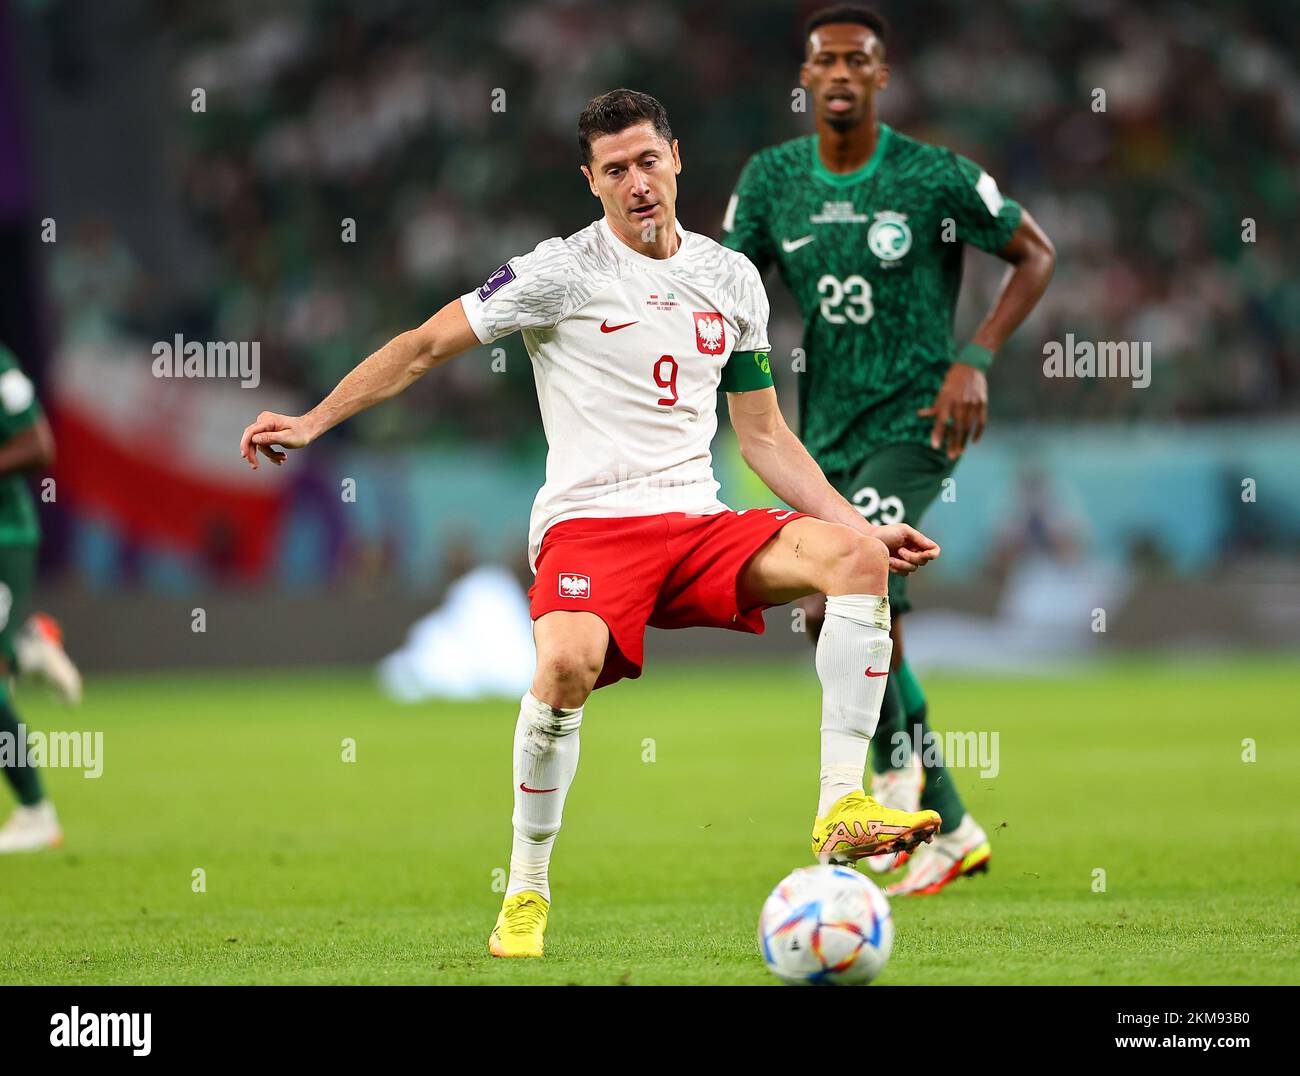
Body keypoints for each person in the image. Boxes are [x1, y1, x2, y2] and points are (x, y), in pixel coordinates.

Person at [240, 89, 942, 957]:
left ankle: (841, 806)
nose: (637, 182)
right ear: (592, 182)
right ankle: (527, 890)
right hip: (592, 527)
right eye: (615, 170)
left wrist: (861, 527)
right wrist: (311, 423)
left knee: (854, 561)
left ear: (675, 158)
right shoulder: (557, 272)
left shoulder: (731, 279)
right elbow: (423, 345)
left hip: (696, 522)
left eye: (648, 160)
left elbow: (763, 436)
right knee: (566, 667)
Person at [722, 5, 1055, 894]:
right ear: (805, 77)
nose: (838, 73)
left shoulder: (932, 176)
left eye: (856, 60)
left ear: (881, 77)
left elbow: (1034, 254)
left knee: (841, 604)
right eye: (823, 60)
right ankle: (945, 820)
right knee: (845, 615)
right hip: (821, 435)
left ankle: (903, 793)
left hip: (918, 422)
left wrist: (973, 358)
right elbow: (722, 283)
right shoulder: (771, 181)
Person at [0, 342, 84, 854]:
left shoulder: (1, 366)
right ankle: (23, 648)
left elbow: (38, 446)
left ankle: (35, 811)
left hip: (4, 538)